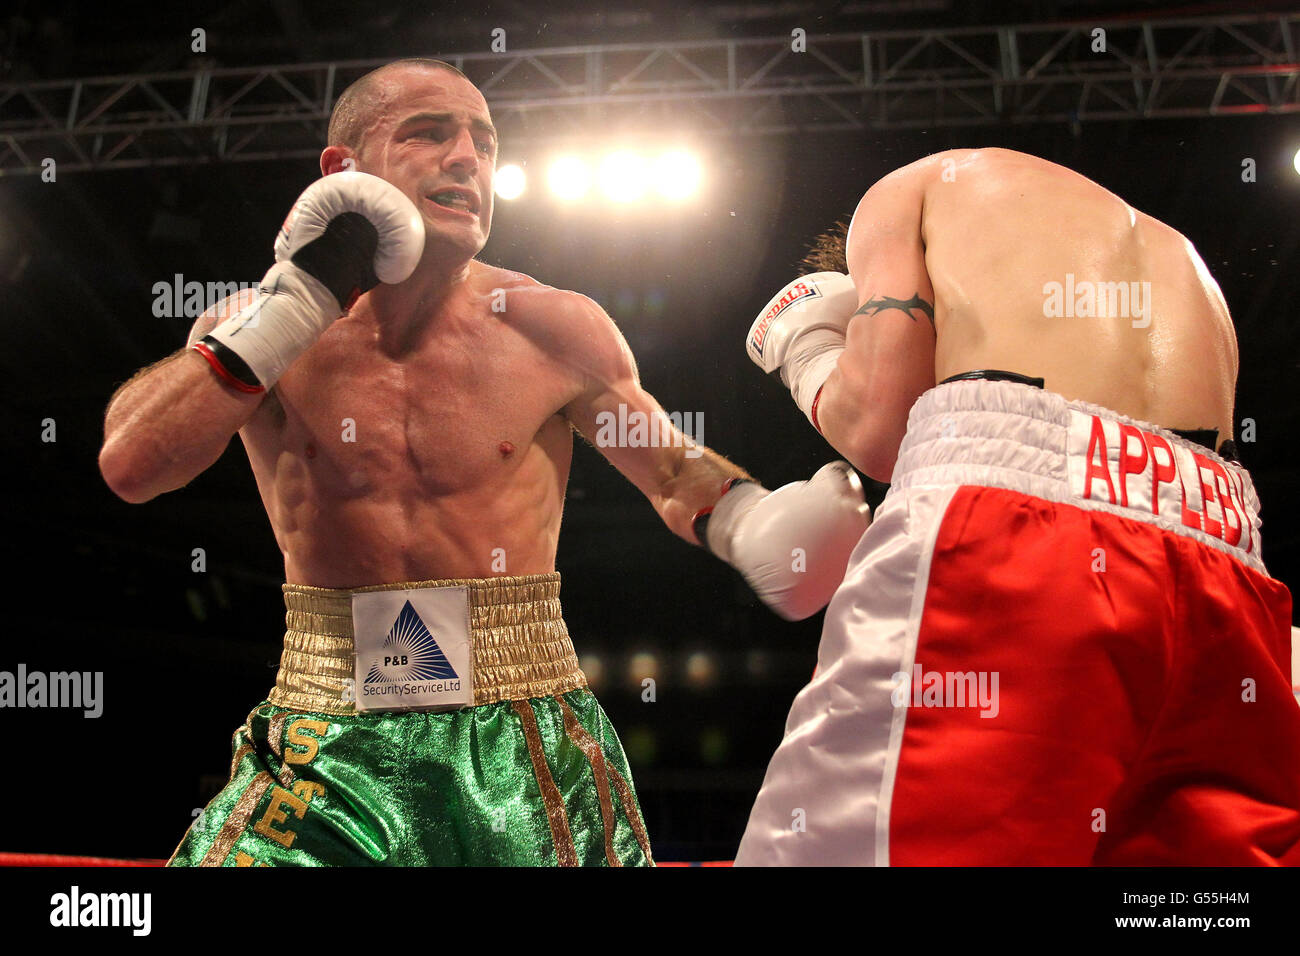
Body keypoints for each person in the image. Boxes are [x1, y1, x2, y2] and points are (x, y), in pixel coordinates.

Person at [98, 58, 868, 867]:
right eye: (429, 133)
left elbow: (671, 472)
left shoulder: (553, 327)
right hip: (321, 731)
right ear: (342, 171)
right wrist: (295, 307)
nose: (467, 157)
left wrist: (755, 522)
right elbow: (134, 464)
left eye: (485, 143)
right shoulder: (262, 329)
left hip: (523, 730)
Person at [735, 147, 1300, 865]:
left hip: (1024, 537)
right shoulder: (1180, 254)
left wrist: (809, 351)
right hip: (1223, 563)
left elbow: (879, 426)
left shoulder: (904, 193)